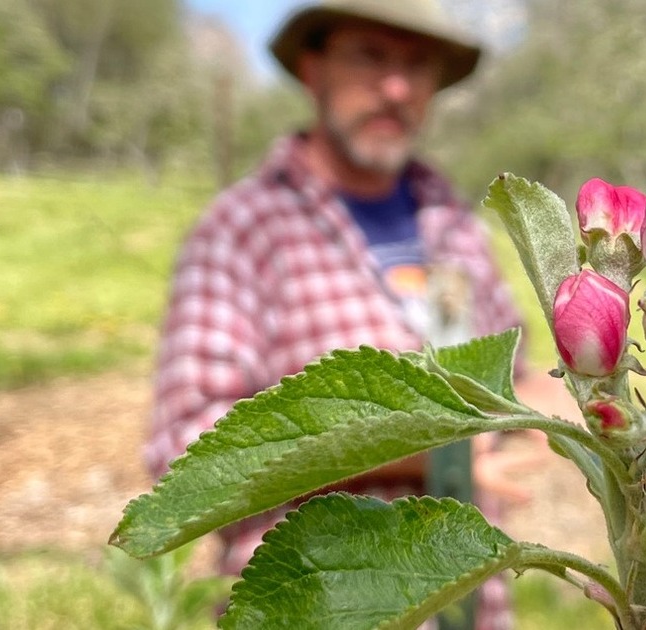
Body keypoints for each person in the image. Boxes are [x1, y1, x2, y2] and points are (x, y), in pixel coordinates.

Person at [145, 2, 526, 627]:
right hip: (315, 602)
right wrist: (430, 454)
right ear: (312, 67)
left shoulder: (454, 224)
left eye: (418, 64)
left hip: (468, 603)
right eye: (370, 56)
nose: (396, 87)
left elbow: (514, 373)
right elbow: (186, 450)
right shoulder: (242, 230)